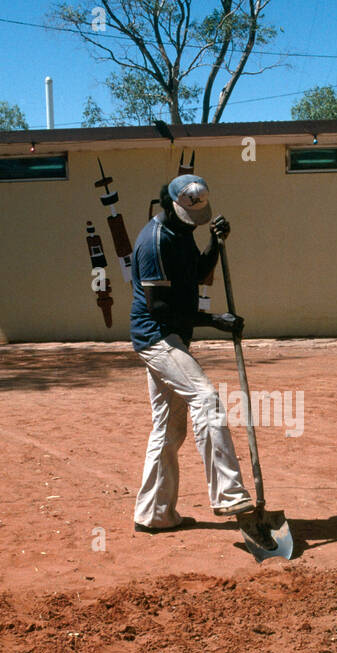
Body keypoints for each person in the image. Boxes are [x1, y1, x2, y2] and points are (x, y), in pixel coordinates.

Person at [130, 174, 255, 532]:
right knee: (207, 399)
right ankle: (229, 495)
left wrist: (216, 243)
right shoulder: (154, 242)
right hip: (158, 337)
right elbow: (160, 308)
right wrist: (214, 320)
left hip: (172, 336)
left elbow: (199, 273)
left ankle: (154, 514)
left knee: (168, 428)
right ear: (169, 204)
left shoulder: (181, 234)